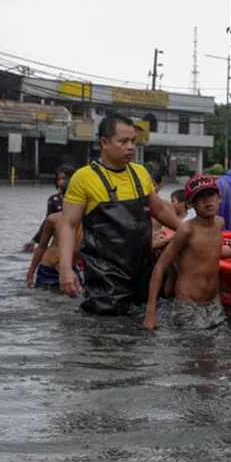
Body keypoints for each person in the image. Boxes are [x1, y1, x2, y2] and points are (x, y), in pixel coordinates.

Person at [58, 114, 182, 315]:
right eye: (123, 142)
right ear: (104, 142)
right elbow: (68, 225)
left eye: (133, 141)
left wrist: (188, 231)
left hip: (142, 272)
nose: (131, 147)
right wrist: (65, 269)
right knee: (108, 332)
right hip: (105, 277)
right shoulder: (83, 178)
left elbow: (159, 210)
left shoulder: (140, 173)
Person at [143, 174, 231, 330]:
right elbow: (160, 267)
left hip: (213, 302)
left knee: (216, 349)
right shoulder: (186, 230)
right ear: (190, 204)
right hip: (189, 304)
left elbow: (214, 253)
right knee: (194, 349)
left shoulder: (219, 223)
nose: (207, 201)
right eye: (200, 197)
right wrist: (151, 313)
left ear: (219, 198)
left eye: (211, 195)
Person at [22, 165, 76, 252]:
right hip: (59, 240)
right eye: (58, 179)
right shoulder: (54, 200)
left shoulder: (82, 198)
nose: (61, 182)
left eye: (64, 179)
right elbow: (47, 222)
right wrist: (35, 240)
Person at [26, 210, 84, 288]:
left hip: (72, 268)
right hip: (49, 269)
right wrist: (30, 273)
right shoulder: (53, 219)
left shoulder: (93, 222)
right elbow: (42, 247)